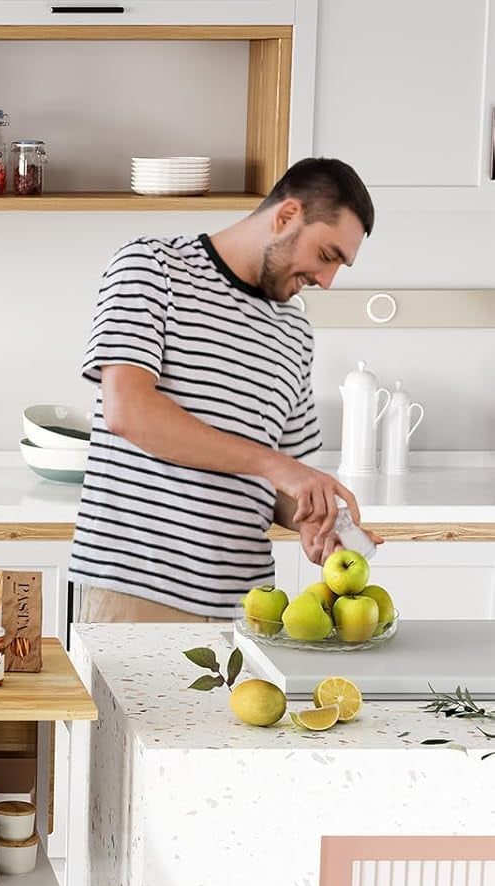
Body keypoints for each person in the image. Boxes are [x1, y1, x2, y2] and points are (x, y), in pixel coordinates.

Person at [71, 158, 383, 624]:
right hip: (137, 593)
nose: (327, 280)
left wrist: (315, 519)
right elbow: (128, 411)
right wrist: (277, 466)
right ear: (286, 216)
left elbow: (282, 482)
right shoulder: (152, 267)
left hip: (249, 609)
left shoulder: (295, 332)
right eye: (326, 255)